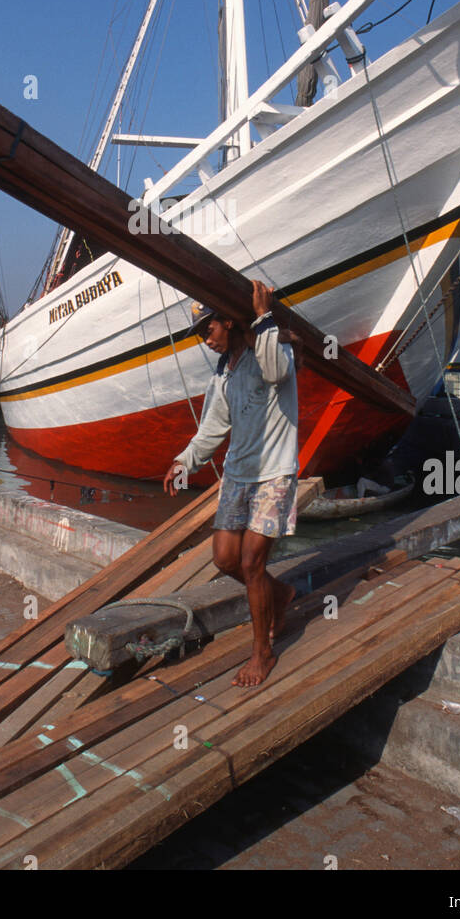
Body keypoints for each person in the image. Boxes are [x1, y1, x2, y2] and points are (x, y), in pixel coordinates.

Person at [163, 280, 299, 689]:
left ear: (228, 321)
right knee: (224, 558)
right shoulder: (224, 374)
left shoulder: (270, 347)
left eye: (209, 329)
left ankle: (263, 654)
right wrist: (183, 460)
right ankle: (279, 595)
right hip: (239, 475)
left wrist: (264, 317)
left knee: (251, 562)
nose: (206, 340)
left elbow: (277, 371)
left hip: (274, 472)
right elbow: (212, 429)